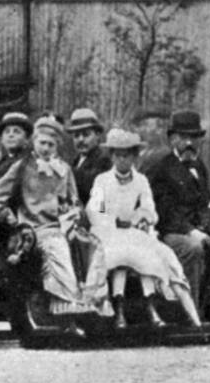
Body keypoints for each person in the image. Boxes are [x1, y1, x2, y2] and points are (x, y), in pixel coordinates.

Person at [0, 115, 108, 336]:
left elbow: (74, 200)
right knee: (57, 245)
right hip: (33, 228)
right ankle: (67, 313)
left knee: (92, 244)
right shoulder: (22, 167)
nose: (46, 149)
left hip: (63, 225)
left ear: (58, 146)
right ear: (34, 143)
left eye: (51, 144)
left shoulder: (65, 169)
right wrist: (8, 215)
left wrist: (74, 215)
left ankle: (91, 305)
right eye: (42, 143)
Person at [145, 111, 210, 330]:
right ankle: (190, 312)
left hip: (202, 230)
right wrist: (190, 231)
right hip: (171, 233)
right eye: (183, 137)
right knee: (193, 248)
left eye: (194, 138)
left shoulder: (199, 166)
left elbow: (205, 202)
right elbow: (164, 211)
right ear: (172, 138)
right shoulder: (162, 167)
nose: (189, 143)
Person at [86, 129, 201, 329]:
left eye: (127, 155)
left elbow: (149, 207)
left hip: (133, 231)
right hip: (109, 232)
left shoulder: (141, 181)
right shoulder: (102, 181)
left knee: (152, 256)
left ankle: (153, 308)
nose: (122, 160)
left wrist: (143, 216)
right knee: (119, 256)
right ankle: (118, 310)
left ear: (134, 157)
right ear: (112, 156)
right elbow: (96, 209)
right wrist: (110, 222)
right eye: (118, 155)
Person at [67, 107, 111, 206]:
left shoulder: (103, 160)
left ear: (97, 135)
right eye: (76, 136)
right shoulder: (76, 160)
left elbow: (100, 201)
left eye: (86, 135)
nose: (81, 139)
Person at [0, 112, 33, 183]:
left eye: (16, 132)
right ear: (1, 139)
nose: (11, 135)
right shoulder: (2, 162)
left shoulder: (28, 163)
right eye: (7, 132)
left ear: (26, 139)